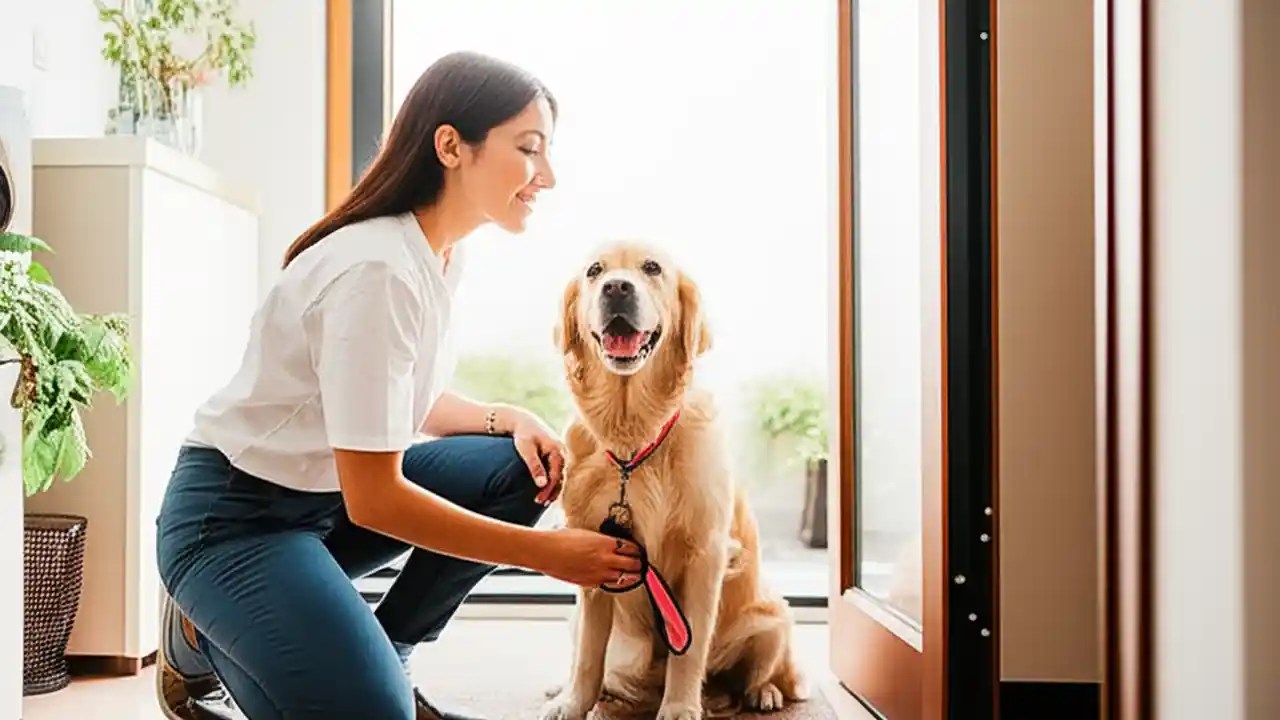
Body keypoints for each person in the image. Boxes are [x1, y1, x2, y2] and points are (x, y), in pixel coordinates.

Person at [154, 51, 643, 720]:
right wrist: (547, 555)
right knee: (375, 713)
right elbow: (378, 499)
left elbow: (398, 404)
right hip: (235, 522)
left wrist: (505, 416)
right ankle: (202, 635)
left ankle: (384, 647)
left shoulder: (439, 254)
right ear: (451, 146)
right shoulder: (377, 268)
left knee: (518, 467)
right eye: (530, 149)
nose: (547, 176)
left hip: (321, 507)